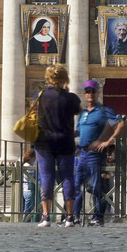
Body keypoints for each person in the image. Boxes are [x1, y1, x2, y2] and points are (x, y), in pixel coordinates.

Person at [34, 64, 81, 226]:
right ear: (65, 79)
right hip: (65, 141)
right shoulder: (71, 98)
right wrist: (66, 91)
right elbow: (77, 110)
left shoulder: (40, 96)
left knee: (46, 176)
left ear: (48, 78)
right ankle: (69, 217)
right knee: (67, 176)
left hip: (44, 141)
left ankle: (46, 216)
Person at [74, 79, 124, 226]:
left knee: (96, 187)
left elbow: (120, 123)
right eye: (87, 91)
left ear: (97, 93)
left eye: (93, 91)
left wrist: (108, 141)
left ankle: (98, 217)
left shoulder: (103, 111)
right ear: (84, 94)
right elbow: (77, 131)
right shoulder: (83, 113)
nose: (90, 94)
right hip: (82, 154)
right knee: (76, 185)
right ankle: (75, 216)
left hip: (95, 154)